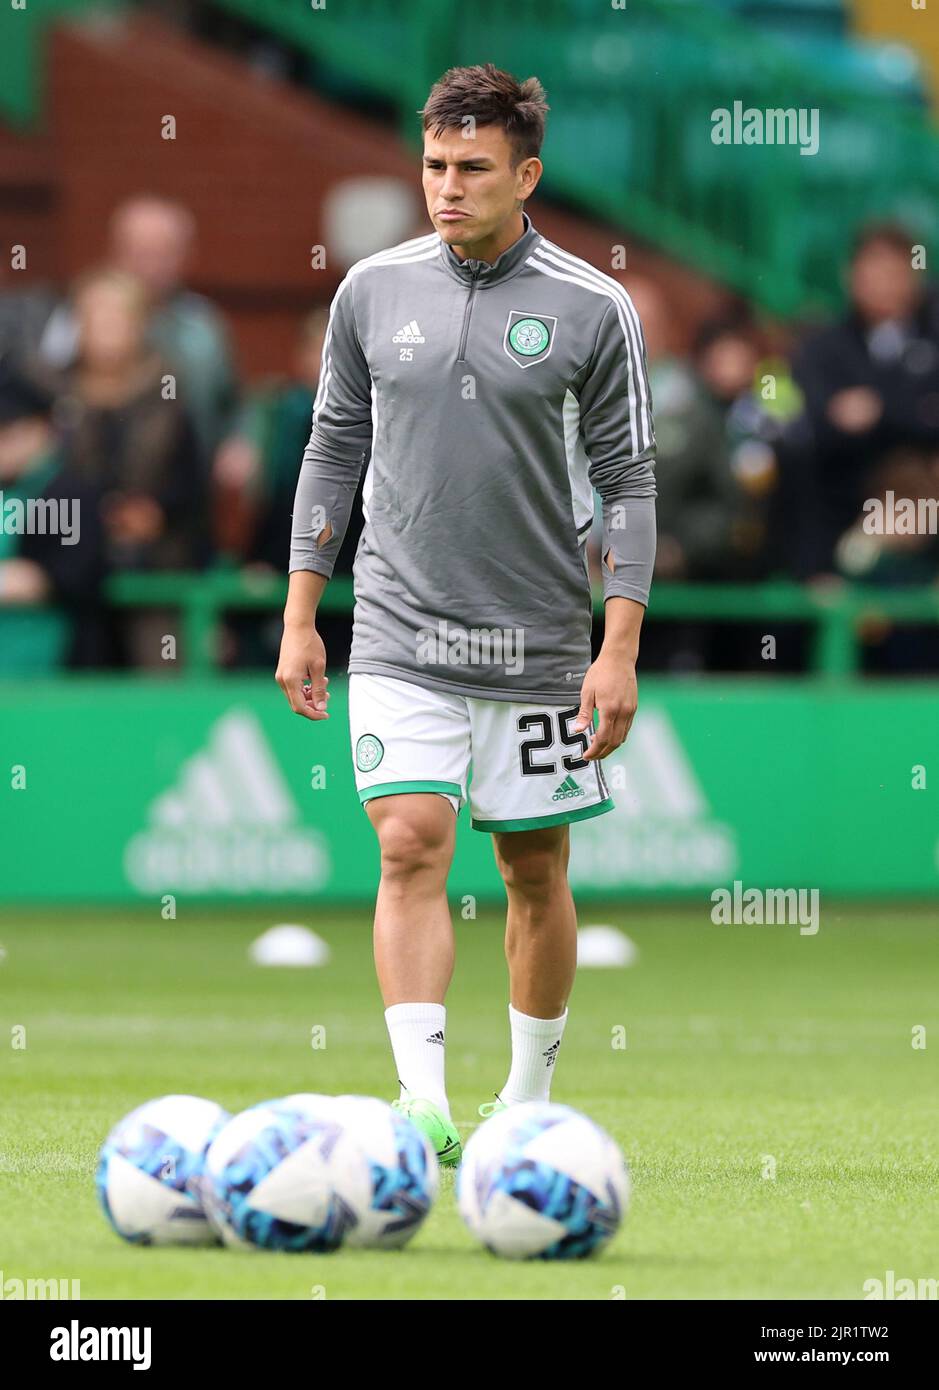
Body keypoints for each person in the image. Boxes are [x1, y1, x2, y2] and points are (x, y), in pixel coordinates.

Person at [276, 64, 656, 1165]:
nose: (446, 187)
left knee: (533, 867)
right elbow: (332, 451)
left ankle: (528, 1100)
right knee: (409, 843)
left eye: (473, 169)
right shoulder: (370, 292)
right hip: (399, 624)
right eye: (435, 164)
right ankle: (420, 1099)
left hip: (539, 637)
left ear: (526, 174)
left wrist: (617, 645)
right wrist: (305, 613)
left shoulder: (594, 307)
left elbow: (630, 482)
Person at [0, 360, 106, 674]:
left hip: (50, 662)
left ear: (41, 429)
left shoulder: (68, 491)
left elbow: (77, 573)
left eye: (7, 432)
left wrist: (27, 579)